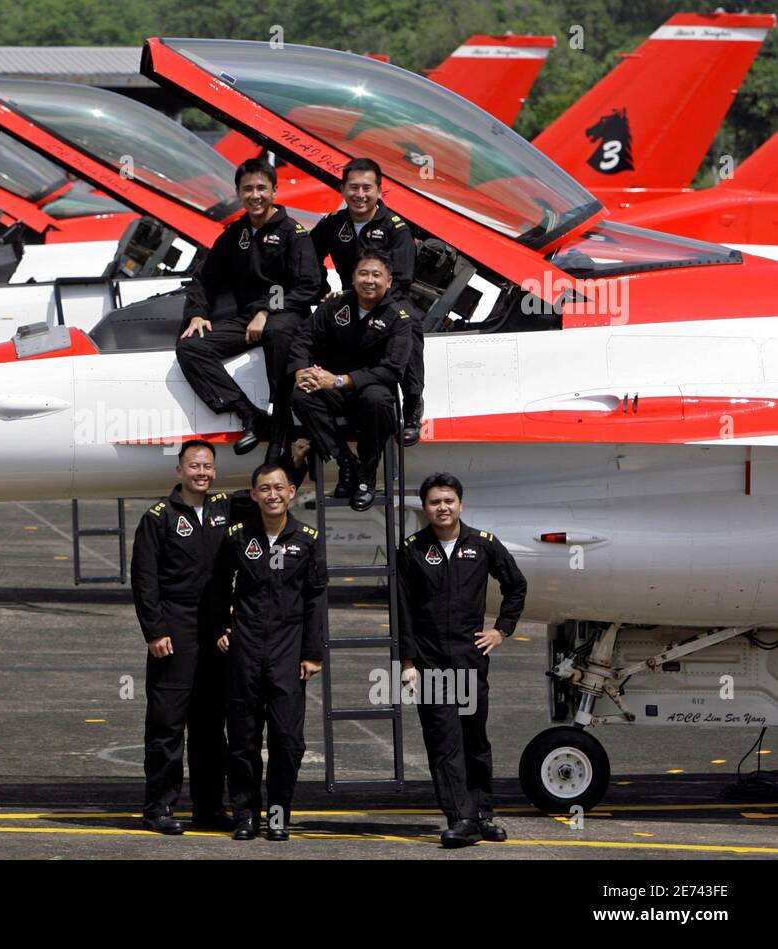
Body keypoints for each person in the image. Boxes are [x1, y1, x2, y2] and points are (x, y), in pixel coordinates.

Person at [396, 473, 528, 848]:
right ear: (425, 507)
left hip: (471, 660)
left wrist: (501, 629)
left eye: (448, 501)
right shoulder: (411, 549)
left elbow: (516, 585)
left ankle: (483, 812)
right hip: (430, 661)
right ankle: (460, 817)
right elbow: (402, 610)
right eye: (435, 502)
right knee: (443, 741)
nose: (442, 508)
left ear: (460, 504)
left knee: (474, 740)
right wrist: (407, 662)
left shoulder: (483, 545)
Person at [130, 439, 246, 834]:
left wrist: (297, 456)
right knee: (166, 724)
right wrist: (155, 630)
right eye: (194, 466)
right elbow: (144, 580)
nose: (201, 472)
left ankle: (209, 808)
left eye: (208, 467)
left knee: (212, 727)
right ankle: (158, 809)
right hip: (174, 629)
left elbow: (274, 490)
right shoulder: (158, 517)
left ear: (215, 472)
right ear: (179, 471)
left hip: (215, 631)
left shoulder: (225, 509)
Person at [177, 158, 322, 461]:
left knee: (279, 333)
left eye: (261, 188)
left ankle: (281, 430)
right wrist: (197, 313)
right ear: (238, 193)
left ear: (274, 191)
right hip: (245, 319)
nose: (255, 195)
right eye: (248, 189)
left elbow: (308, 286)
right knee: (191, 345)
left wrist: (267, 310)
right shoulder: (234, 235)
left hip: (286, 315)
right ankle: (250, 414)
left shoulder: (295, 234)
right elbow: (204, 279)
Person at [213, 461, 327, 841]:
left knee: (287, 741)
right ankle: (245, 813)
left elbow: (316, 599)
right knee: (243, 740)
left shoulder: (308, 539)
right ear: (254, 494)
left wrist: (313, 653)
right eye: (264, 488)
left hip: (288, 652)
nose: (272, 495)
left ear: (291, 492)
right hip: (245, 650)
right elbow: (216, 587)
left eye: (279, 488)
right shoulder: (236, 537)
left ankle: (278, 815)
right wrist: (221, 627)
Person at [310, 158, 425, 447]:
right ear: (342, 190)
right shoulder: (333, 224)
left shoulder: (396, 228)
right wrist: (322, 289)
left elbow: (401, 279)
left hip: (390, 300)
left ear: (379, 191)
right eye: (353, 188)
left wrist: (375, 309)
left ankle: (412, 405)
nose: (360, 195)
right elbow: (307, 256)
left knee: (408, 325)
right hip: (349, 298)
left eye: (367, 188)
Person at [288, 251, 413, 512]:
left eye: (376, 275)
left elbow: (392, 370)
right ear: (353, 279)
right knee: (300, 395)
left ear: (388, 281)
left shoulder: (399, 318)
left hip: (369, 390)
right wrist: (302, 372)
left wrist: (340, 380)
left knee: (377, 400)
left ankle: (366, 476)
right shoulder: (335, 306)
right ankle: (345, 460)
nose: (369, 280)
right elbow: (303, 339)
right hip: (331, 388)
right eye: (363, 274)